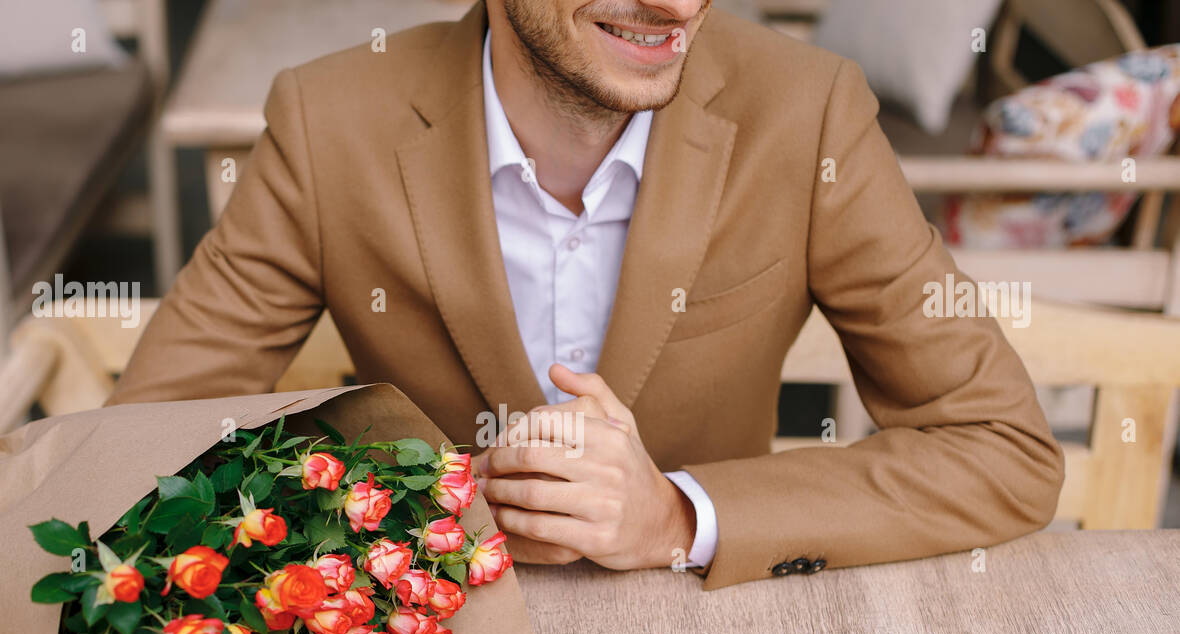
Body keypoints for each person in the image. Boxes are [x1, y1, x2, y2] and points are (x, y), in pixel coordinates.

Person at [106, 1, 1064, 589]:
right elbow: (138, 456)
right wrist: (410, 517)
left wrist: (677, 517)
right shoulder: (327, 120)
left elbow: (1003, 450)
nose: (678, 6)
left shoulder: (809, 112)